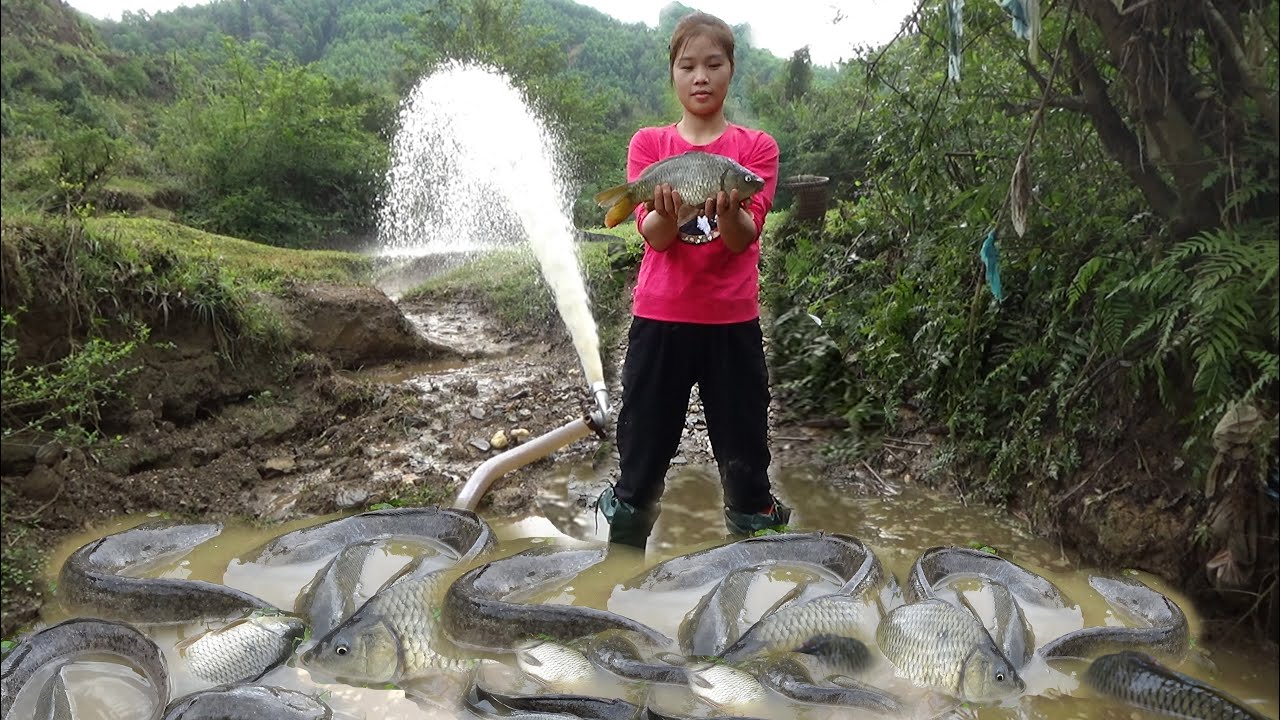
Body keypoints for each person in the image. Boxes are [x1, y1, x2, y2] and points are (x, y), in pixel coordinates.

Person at [597, 11, 790, 550]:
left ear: (731, 70)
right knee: (639, 464)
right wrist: (673, 209)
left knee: (746, 465)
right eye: (688, 66)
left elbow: (740, 237)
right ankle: (621, 567)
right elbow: (656, 239)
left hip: (732, 323)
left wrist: (727, 208)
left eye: (713, 64)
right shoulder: (649, 145)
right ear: (673, 75)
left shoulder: (756, 150)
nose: (700, 76)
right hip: (660, 321)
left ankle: (753, 563)